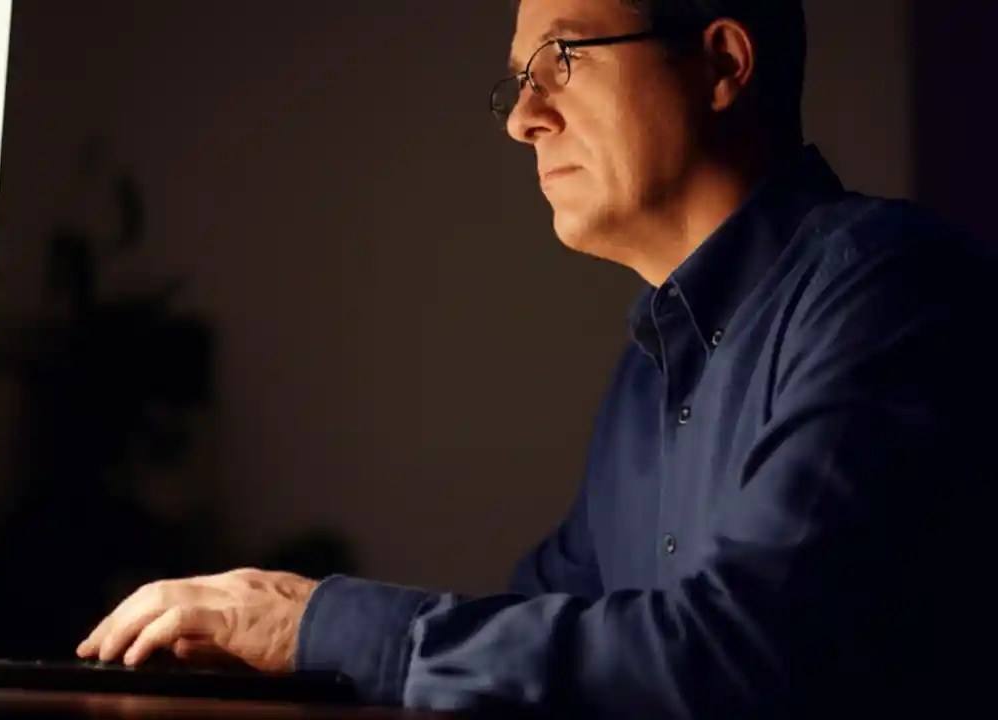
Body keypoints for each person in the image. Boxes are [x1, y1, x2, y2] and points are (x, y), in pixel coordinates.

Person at [76, 0, 996, 715]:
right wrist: (276, 647)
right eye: (516, 78)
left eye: (561, 58)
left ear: (721, 63)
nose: (521, 118)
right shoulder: (648, 375)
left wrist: (318, 624)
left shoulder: (888, 289)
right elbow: (553, 646)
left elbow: (750, 660)